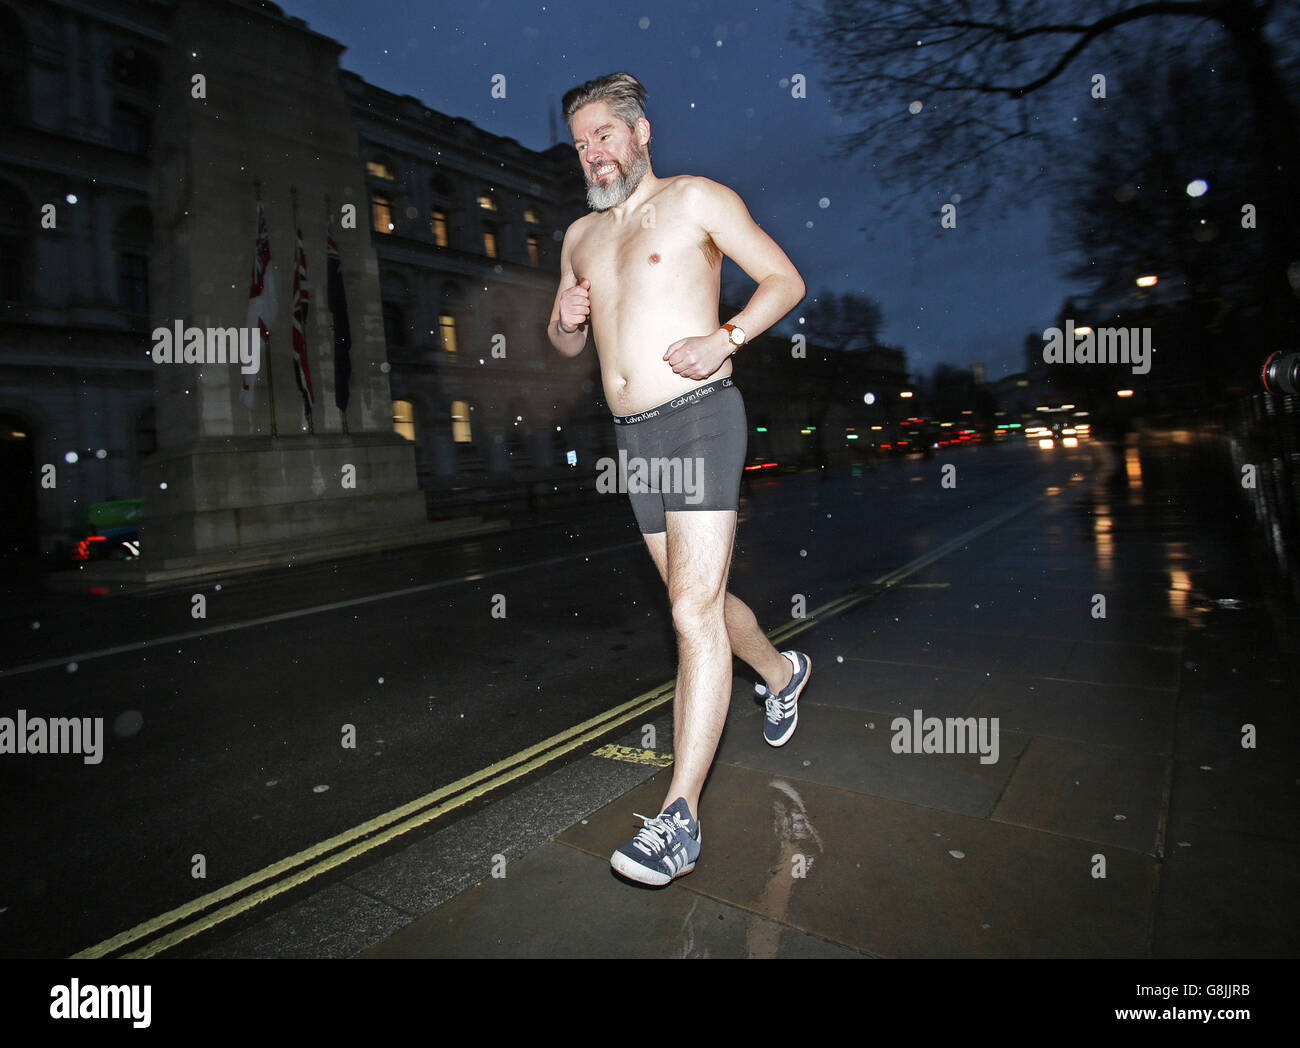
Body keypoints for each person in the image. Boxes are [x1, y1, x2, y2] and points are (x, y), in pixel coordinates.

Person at [547, 73, 810, 886]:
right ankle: (780, 671)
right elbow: (566, 346)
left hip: (698, 415)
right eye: (582, 140)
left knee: (690, 613)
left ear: (641, 133)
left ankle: (680, 818)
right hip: (633, 440)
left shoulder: (698, 199)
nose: (593, 152)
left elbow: (785, 281)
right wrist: (562, 321)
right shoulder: (579, 238)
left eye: (604, 135)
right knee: (700, 600)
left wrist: (726, 337)